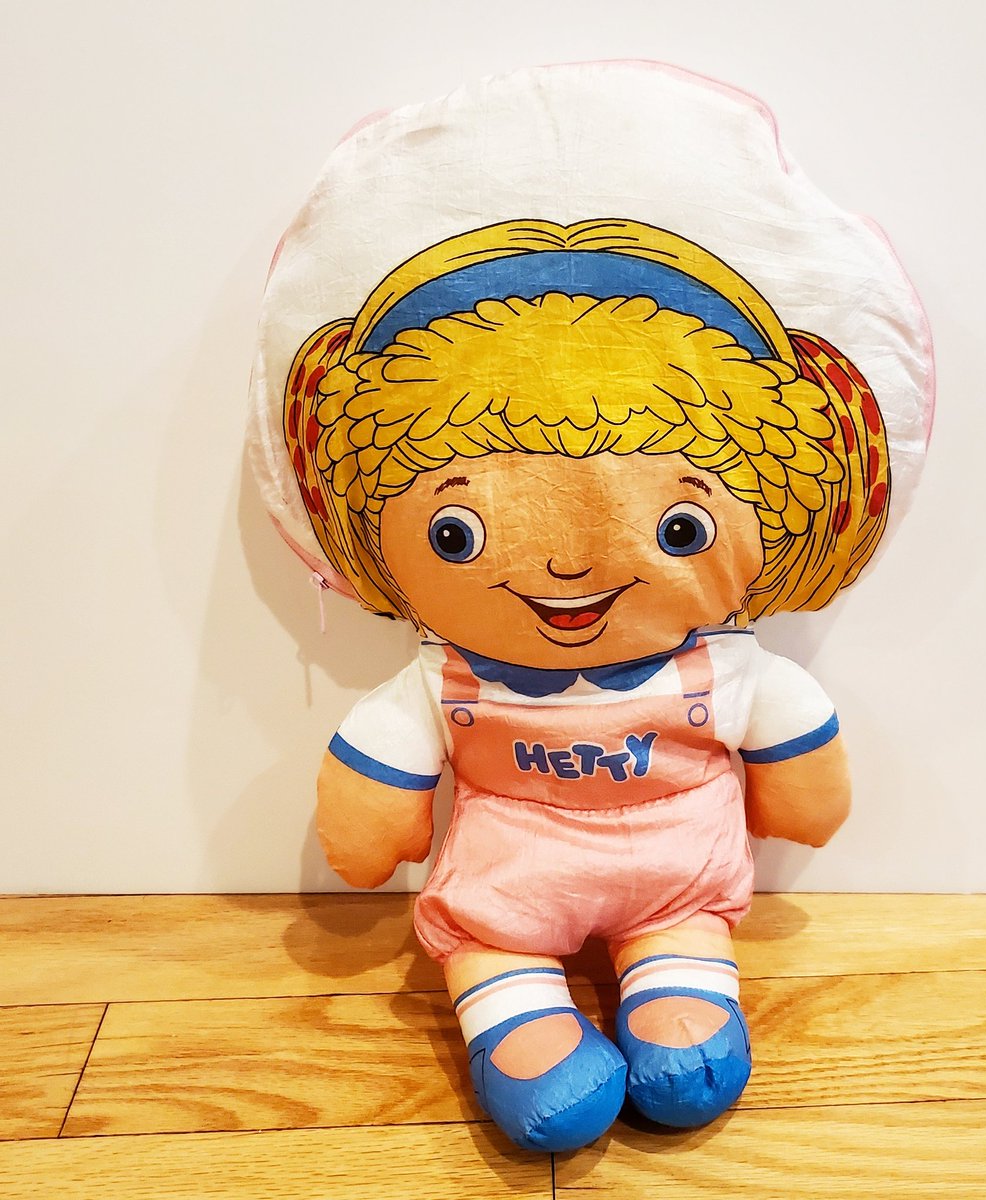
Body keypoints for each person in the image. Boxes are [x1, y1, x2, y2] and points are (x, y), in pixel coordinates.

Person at [283, 218, 887, 1151]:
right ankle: (511, 996)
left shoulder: (722, 667)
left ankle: (673, 972)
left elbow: (794, 741)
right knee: (508, 977)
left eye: (682, 531)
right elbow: (377, 782)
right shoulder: (444, 677)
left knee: (684, 1030)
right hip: (507, 890)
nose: (566, 569)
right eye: (455, 535)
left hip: (679, 885)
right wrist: (371, 833)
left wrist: (798, 798)